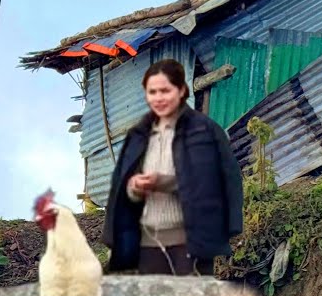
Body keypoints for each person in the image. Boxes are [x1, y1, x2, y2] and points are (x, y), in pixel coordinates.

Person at [103, 58, 244, 276]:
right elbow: (122, 189)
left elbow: (213, 183)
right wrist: (134, 188)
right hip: (148, 243)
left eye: (165, 91)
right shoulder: (139, 135)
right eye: (152, 92)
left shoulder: (204, 132)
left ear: (181, 91)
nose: (158, 98)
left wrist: (163, 182)